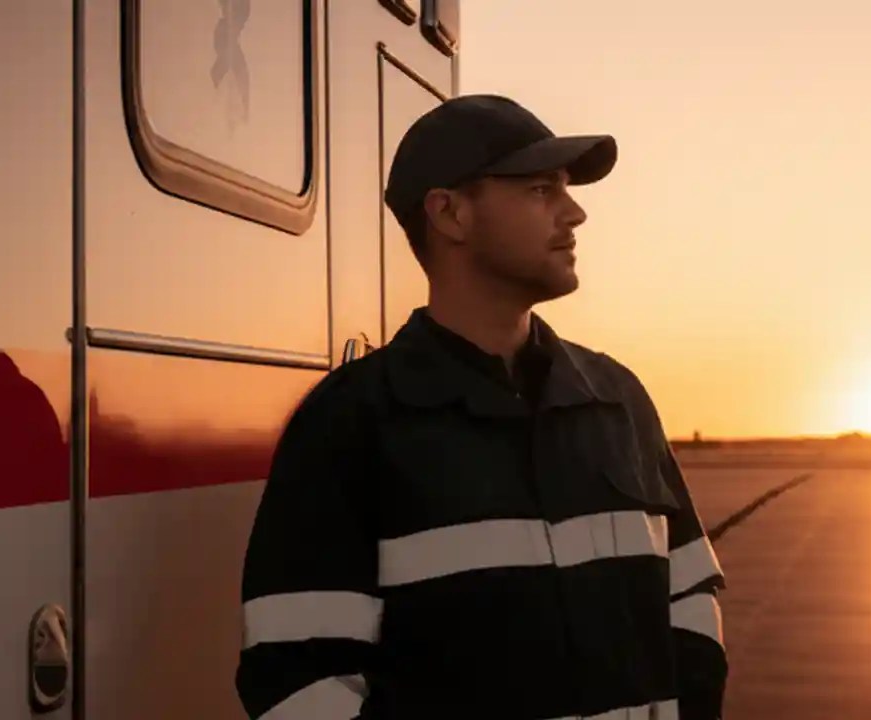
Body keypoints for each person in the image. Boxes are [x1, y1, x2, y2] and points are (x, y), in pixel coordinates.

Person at [236, 94, 728, 719]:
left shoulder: (618, 400)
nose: (574, 213)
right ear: (450, 213)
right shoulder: (349, 422)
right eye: (541, 190)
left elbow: (688, 592)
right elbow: (297, 677)